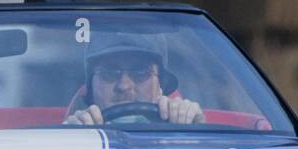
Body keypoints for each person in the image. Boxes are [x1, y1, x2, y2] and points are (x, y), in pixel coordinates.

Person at [64, 42, 205, 125]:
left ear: (160, 87)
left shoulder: (182, 134)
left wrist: (196, 130)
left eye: (141, 73)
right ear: (90, 89)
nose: (124, 86)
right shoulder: (75, 138)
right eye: (109, 72)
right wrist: (66, 144)